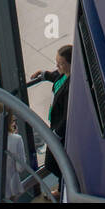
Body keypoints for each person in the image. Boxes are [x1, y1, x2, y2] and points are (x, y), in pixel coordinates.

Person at [30, 44, 72, 187]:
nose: (58, 66)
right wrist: (43, 74)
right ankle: (62, 185)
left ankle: (67, 183)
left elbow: (68, 115)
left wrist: (57, 134)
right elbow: (55, 75)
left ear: (71, 64)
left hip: (59, 131)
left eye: (61, 63)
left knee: (51, 163)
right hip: (55, 125)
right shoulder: (64, 74)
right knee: (55, 163)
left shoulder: (72, 86)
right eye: (57, 62)